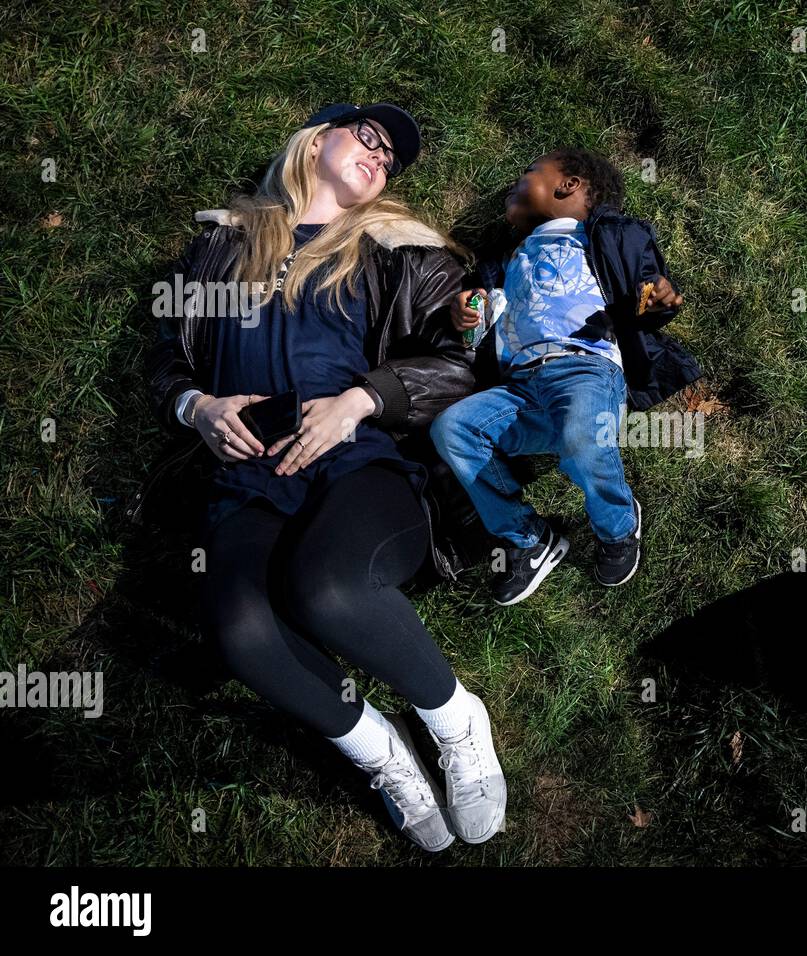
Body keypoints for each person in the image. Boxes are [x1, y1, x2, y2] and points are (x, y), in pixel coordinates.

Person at [142, 103, 504, 853]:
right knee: (238, 631)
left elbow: (462, 361)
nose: (380, 156)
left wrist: (362, 401)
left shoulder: (399, 252)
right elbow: (165, 357)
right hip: (247, 472)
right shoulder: (220, 247)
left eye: (390, 159)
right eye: (366, 137)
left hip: (357, 460)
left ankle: (456, 721)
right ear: (316, 142)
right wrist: (196, 406)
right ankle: (378, 750)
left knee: (329, 590)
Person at [431, 148, 700, 605]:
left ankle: (617, 526)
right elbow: (484, 324)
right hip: (520, 388)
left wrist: (655, 300)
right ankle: (529, 538)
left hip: (586, 370)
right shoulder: (504, 260)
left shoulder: (606, 235)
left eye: (530, 172)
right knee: (452, 429)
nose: (518, 180)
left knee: (581, 434)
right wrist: (466, 315)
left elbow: (642, 287)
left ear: (568, 186)